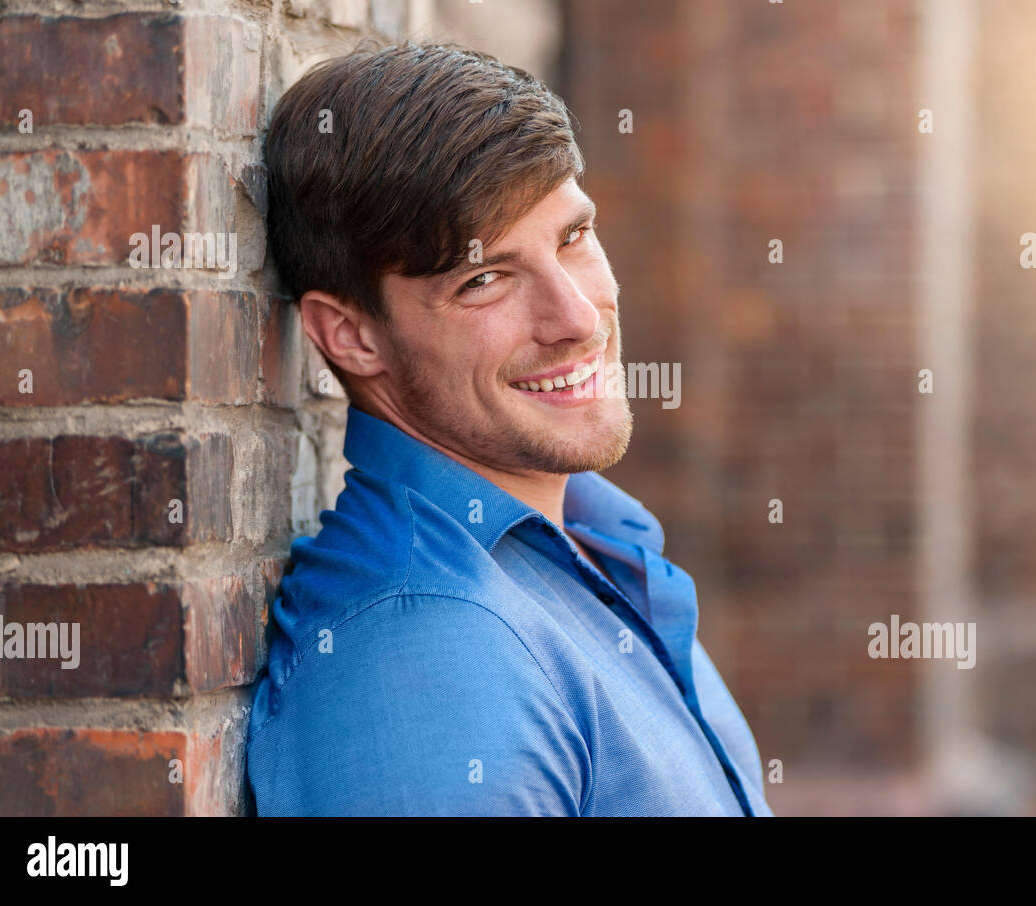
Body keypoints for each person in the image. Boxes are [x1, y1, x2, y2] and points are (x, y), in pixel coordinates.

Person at [247, 41, 773, 816]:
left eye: (571, 238)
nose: (575, 317)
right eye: (486, 279)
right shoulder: (424, 663)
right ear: (352, 335)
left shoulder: (585, 538)